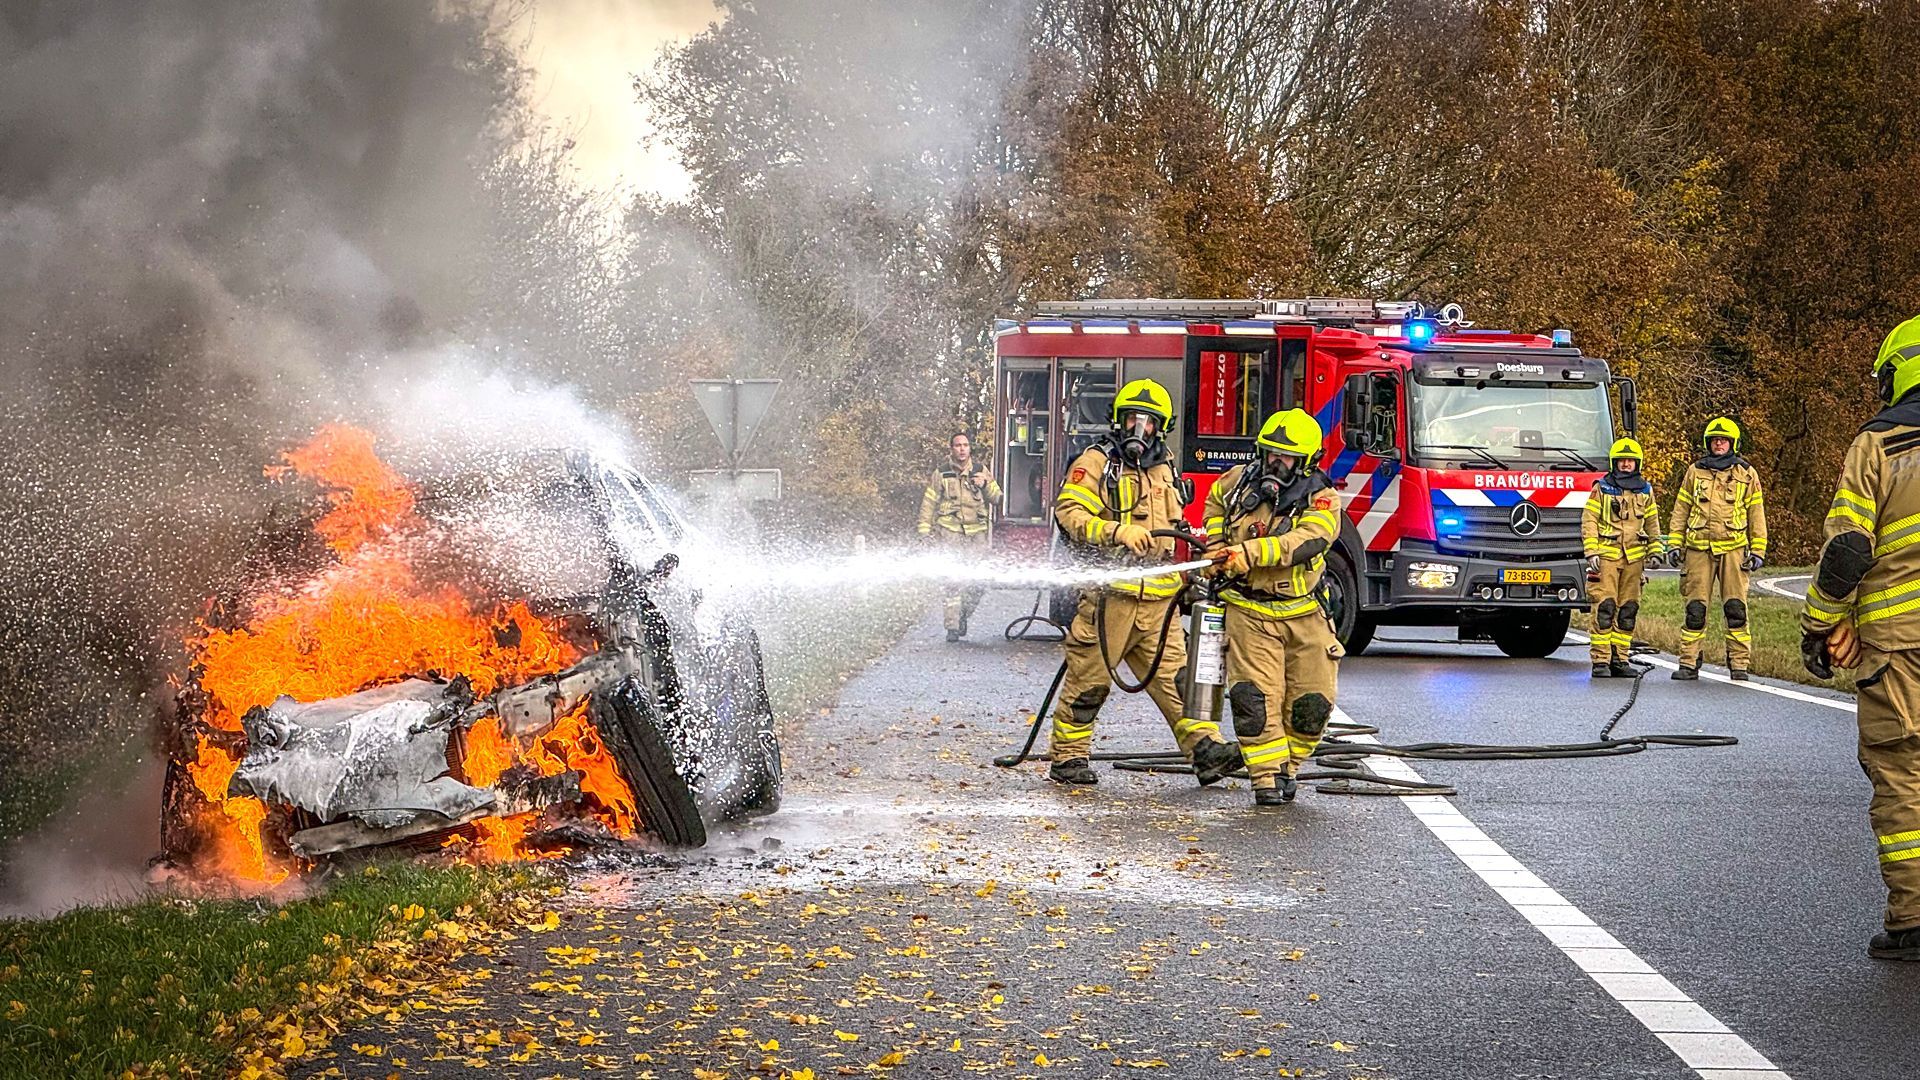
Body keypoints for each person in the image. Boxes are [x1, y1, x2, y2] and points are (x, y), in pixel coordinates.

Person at [1048, 378, 1242, 787]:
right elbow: (1069, 512)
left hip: (1159, 599)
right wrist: (1116, 532)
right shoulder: (1098, 462)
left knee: (1177, 679)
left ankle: (1205, 751)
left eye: (1149, 421)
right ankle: (1068, 757)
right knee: (1090, 679)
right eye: (1132, 418)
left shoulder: (1165, 467)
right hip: (1111, 597)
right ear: (1118, 420)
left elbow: (1177, 525)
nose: (1140, 428)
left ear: (1161, 426)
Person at [1802, 314, 1920, 962]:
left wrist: (1821, 625)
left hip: (1901, 646)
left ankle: (1913, 920)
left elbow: (1848, 552)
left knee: (1904, 772)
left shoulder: (1880, 444)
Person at [1201, 409, 1344, 805]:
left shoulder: (1323, 499)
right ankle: (1266, 779)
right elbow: (1214, 505)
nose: (1276, 464)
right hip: (1248, 610)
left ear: (1307, 461)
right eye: (1270, 454)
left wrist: (1245, 552)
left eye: (1286, 458)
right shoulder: (1236, 483)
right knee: (1255, 700)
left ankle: (1289, 767)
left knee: (1312, 703)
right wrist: (1217, 546)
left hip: (1304, 613)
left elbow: (1307, 541)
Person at [1665, 416, 1768, 680]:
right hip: (1698, 550)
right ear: (1707, 443)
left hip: (1734, 550)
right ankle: (1689, 662)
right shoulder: (1694, 471)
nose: (1719, 444)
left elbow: (1757, 514)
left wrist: (1758, 550)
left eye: (1723, 440)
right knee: (1695, 610)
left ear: (1733, 443)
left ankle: (1739, 664)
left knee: (1736, 609)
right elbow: (1681, 510)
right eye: (1715, 440)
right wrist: (1675, 543)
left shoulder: (1747, 474)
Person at [1581, 438, 1664, 678]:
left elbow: (1652, 523)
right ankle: (1600, 660)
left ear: (1637, 463)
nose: (1626, 465)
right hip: (1607, 557)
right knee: (1605, 608)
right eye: (1621, 461)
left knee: (1628, 610)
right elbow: (1589, 521)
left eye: (1630, 461)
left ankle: (1620, 658)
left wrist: (1656, 551)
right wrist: (1591, 551)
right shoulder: (1602, 489)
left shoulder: (1645, 490)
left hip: (1634, 560)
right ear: (1614, 463)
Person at [917, 432, 1001, 642]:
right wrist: (924, 531)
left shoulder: (981, 471)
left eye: (965, 445)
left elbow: (998, 498)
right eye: (957, 445)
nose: (962, 449)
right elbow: (929, 503)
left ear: (969, 448)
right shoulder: (942, 474)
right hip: (950, 533)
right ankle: (952, 628)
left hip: (976, 536)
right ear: (951, 449)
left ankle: (963, 614)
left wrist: (985, 484)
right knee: (952, 581)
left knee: (978, 581)